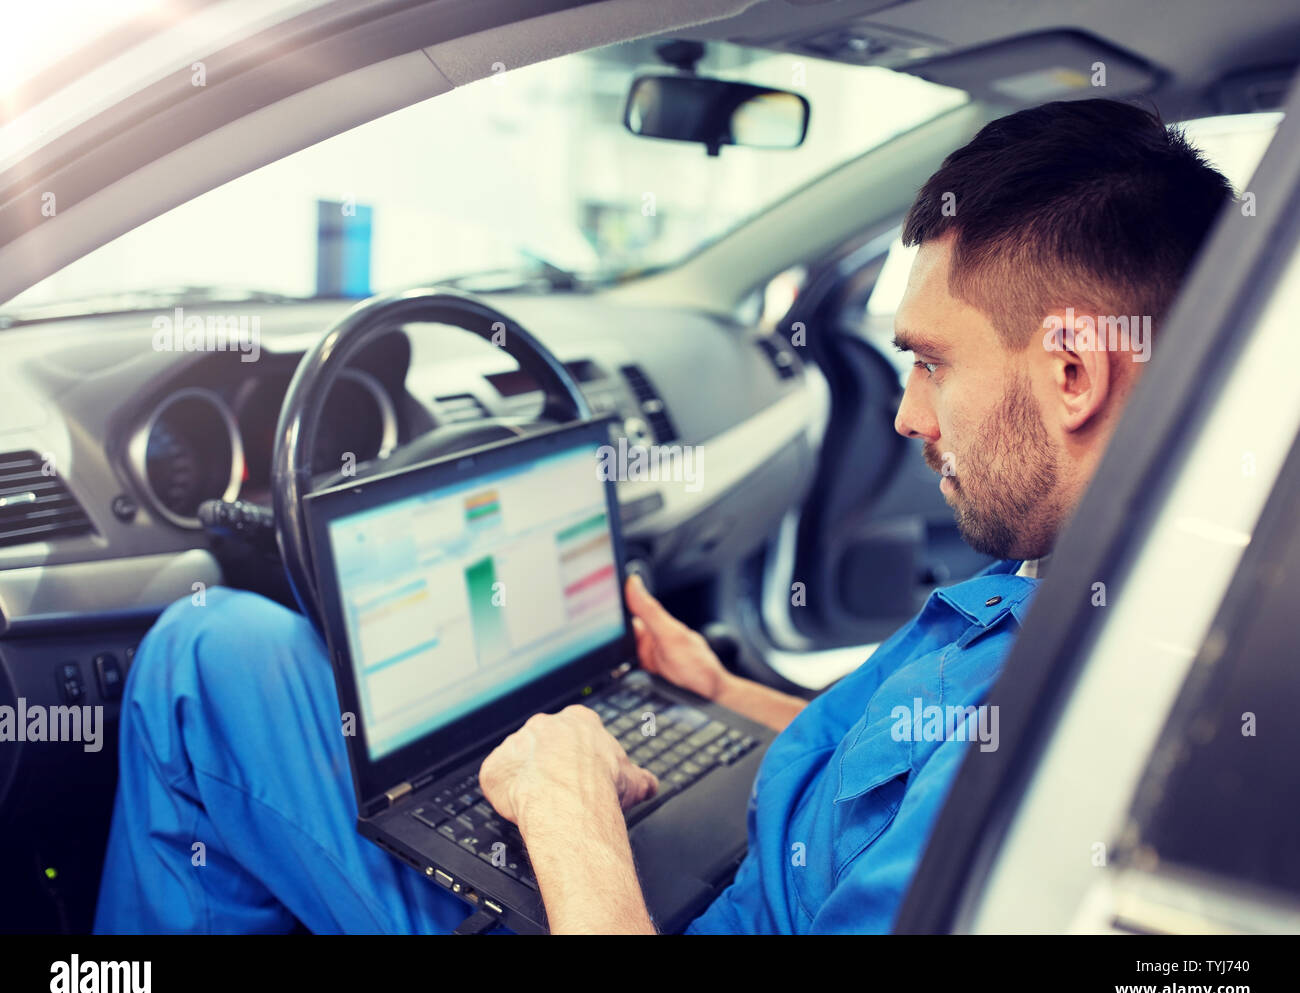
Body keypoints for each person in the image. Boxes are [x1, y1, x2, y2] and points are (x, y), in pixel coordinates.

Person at [94, 98, 1233, 934]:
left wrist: (568, 809)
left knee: (210, 654)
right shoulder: (1070, 587)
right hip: (698, 875)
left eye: (930, 363)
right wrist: (715, 690)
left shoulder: (1058, 728)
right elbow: (880, 779)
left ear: (1075, 372)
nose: (902, 415)